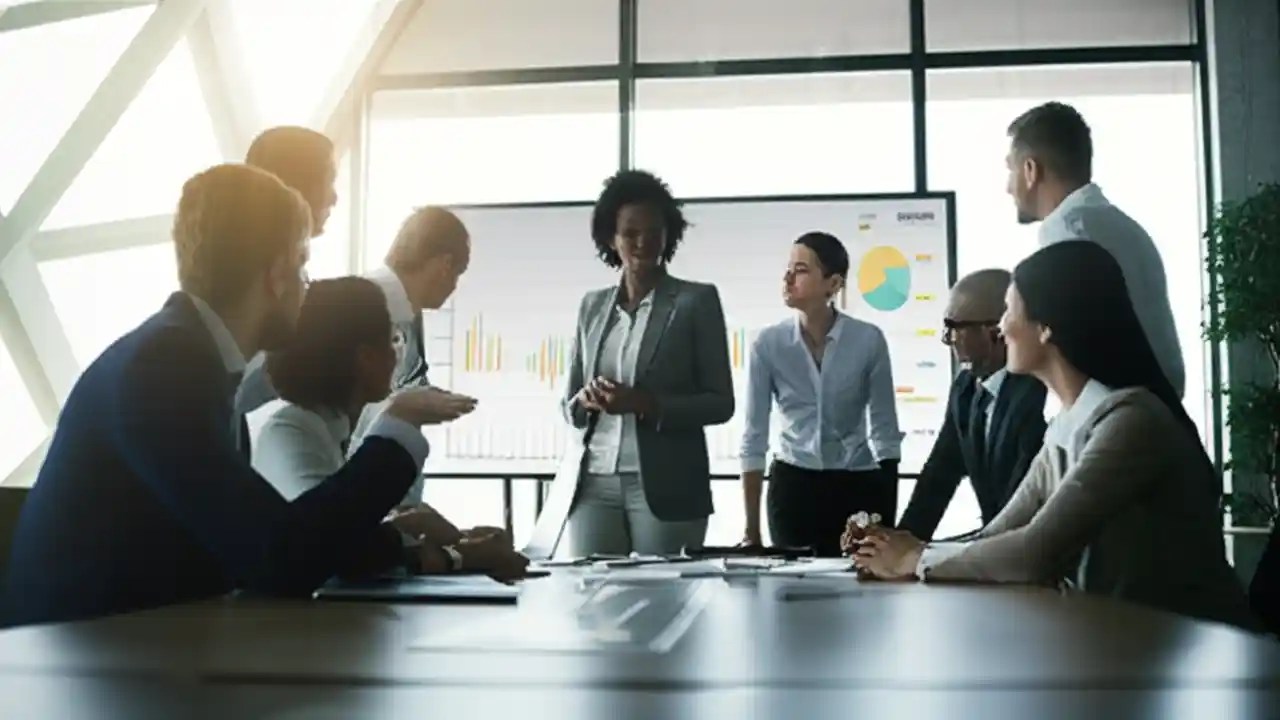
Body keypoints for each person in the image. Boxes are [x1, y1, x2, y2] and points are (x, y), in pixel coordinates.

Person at [0, 164, 486, 628]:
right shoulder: (165, 366)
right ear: (276, 275)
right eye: (302, 266)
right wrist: (395, 428)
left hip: (120, 651)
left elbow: (268, 541)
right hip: (69, 675)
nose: (306, 288)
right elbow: (280, 556)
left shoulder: (188, 359)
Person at [849, 240, 1257, 629]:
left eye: (1007, 312)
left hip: (1198, 654)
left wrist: (916, 559)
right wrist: (895, 548)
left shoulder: (1131, 421)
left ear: (1046, 327)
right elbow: (998, 534)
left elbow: (1036, 550)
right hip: (1123, 643)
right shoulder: (1067, 422)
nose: (1001, 328)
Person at [251, 277, 527, 580]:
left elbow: (348, 528)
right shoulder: (288, 429)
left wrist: (436, 532)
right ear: (366, 357)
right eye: (392, 339)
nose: (397, 354)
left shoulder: (326, 425)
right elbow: (331, 549)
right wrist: (458, 555)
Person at [560, 169, 734, 556]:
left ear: (669, 234)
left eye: (654, 231)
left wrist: (645, 404)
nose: (644, 242)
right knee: (594, 607)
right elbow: (568, 405)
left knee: (665, 604)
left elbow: (721, 403)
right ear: (611, 238)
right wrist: (585, 400)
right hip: (592, 484)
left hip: (665, 486)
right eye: (630, 233)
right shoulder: (592, 307)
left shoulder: (696, 301)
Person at [740, 232, 903, 556]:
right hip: (792, 485)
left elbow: (885, 430)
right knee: (792, 594)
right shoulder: (768, 345)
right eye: (788, 268)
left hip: (857, 484)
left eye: (800, 270)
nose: (787, 278)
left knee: (860, 591)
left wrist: (888, 523)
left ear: (833, 283)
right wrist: (751, 531)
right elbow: (754, 437)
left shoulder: (868, 340)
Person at [1005, 101, 1184, 396]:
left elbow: (1071, 351)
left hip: (1116, 415)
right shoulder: (1126, 228)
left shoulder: (1066, 232)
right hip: (1152, 409)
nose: (1008, 188)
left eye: (1010, 170)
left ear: (1030, 170)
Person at [897, 269, 1047, 541]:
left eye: (956, 328)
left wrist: (923, 555)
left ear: (995, 331)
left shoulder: (1038, 397)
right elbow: (938, 477)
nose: (950, 340)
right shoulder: (965, 389)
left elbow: (1021, 512)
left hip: (1025, 549)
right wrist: (899, 542)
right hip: (993, 549)